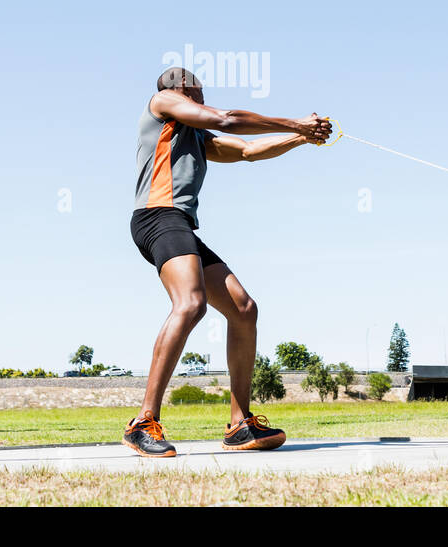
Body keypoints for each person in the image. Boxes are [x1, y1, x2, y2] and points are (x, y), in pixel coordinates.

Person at [123, 66, 331, 457]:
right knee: (190, 303)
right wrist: (295, 121)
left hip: (179, 222)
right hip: (158, 216)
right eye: (199, 88)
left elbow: (249, 151)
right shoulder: (163, 101)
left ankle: (240, 425)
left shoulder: (195, 137)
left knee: (243, 309)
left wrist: (301, 137)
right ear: (183, 87)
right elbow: (228, 119)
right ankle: (142, 422)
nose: (204, 94)